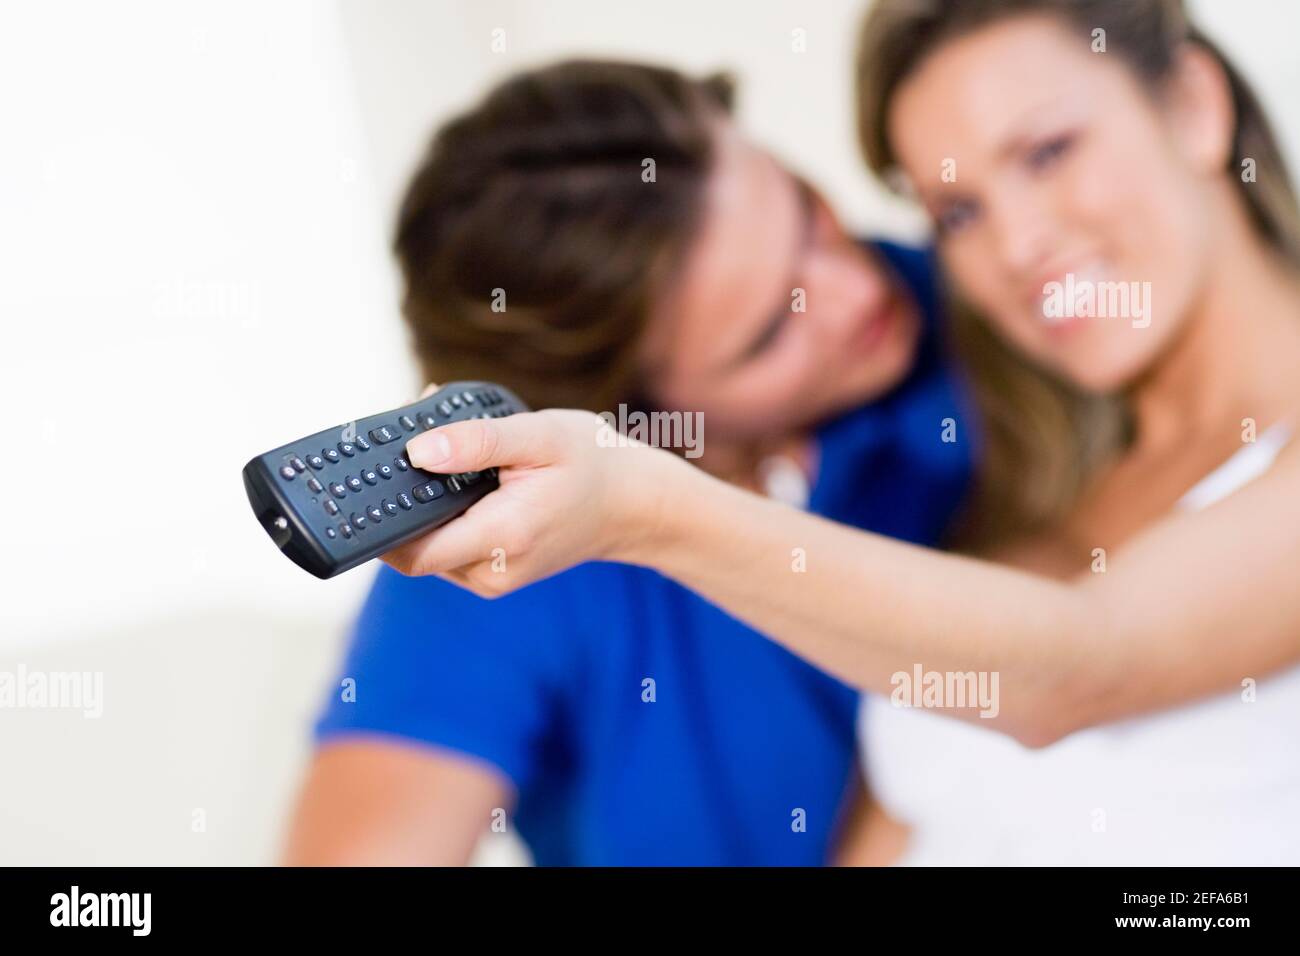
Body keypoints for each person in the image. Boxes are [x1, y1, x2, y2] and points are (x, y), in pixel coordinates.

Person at [386, 0, 1300, 864]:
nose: (1017, 248)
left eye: (1050, 151)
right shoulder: (1010, 488)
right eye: (958, 213)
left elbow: (1081, 668)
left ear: (1193, 104)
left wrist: (643, 506)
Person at [284, 60, 973, 865]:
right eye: (768, 335)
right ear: (637, 425)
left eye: (808, 216)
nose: (858, 290)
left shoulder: (969, 310)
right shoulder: (499, 564)